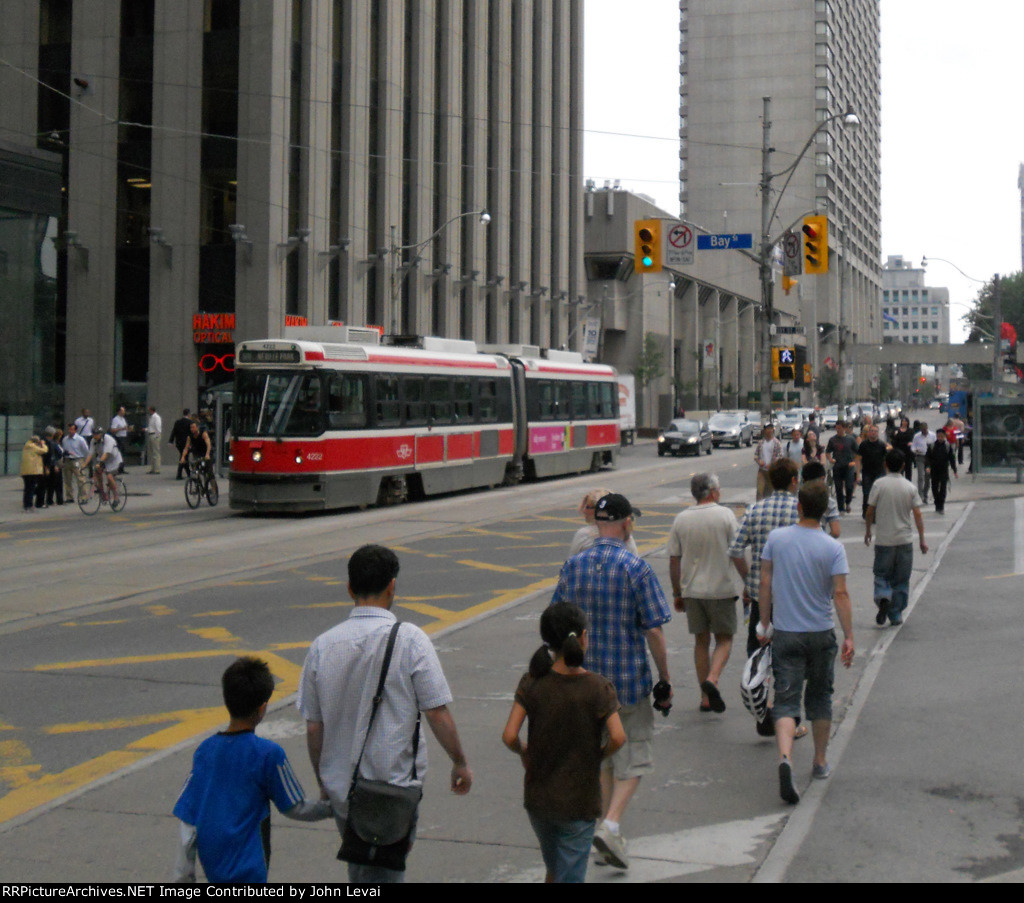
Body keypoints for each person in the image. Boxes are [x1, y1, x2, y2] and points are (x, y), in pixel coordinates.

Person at [299, 544, 473, 884]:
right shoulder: (410, 640)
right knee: (385, 871)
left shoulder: (322, 645)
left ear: (349, 589)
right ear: (392, 586)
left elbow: (314, 727)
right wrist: (459, 761)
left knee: (362, 868)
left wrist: (324, 782)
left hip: (343, 790)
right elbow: (437, 711)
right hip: (393, 788)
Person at [550, 492, 672, 871]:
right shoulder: (636, 568)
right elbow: (654, 630)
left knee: (602, 759)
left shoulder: (573, 566)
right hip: (627, 683)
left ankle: (602, 833)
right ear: (625, 523)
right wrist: (664, 679)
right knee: (634, 756)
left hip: (583, 682)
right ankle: (613, 823)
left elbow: (555, 623)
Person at [172, 656, 331, 883]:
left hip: (214, 872)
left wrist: (183, 879)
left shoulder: (205, 751)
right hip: (251, 872)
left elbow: (188, 821)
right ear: (263, 708)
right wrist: (332, 808)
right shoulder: (268, 754)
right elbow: (295, 807)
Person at [502, 602, 626, 884]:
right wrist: (600, 755)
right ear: (583, 636)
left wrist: (524, 752)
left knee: (555, 868)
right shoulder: (598, 688)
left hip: (539, 800)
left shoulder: (532, 682)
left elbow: (509, 735)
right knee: (569, 875)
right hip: (578, 802)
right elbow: (618, 736)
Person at [758, 483, 855, 805]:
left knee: (785, 700)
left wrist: (764, 623)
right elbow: (840, 594)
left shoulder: (777, 540)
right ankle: (820, 761)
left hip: (786, 632)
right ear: (825, 510)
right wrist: (849, 636)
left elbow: (766, 583)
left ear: (798, 507)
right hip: (820, 633)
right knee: (820, 697)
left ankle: (785, 758)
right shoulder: (833, 547)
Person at [728, 459, 802, 739]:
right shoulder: (800, 510)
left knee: (759, 655)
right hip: (794, 598)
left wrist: (750, 580)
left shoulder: (756, 509)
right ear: (794, 481)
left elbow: (736, 550)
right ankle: (788, 718)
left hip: (763, 598)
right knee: (790, 659)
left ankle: (764, 709)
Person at [668, 473, 741, 715]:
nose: (720, 493)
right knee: (725, 639)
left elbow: (674, 560)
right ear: (711, 492)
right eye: (718, 489)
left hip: (692, 591)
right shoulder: (726, 516)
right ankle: (713, 678)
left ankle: (705, 698)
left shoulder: (681, 519)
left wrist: (678, 592)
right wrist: (749, 581)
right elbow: (738, 552)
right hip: (721, 589)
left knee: (701, 641)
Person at [865, 449, 929, 627]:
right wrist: (922, 539)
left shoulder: (879, 485)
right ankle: (895, 614)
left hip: (884, 540)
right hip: (904, 540)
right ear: (903, 466)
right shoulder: (910, 487)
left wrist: (868, 531)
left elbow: (870, 511)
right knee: (901, 579)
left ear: (885, 464)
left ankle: (883, 596)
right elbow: (917, 515)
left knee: (881, 574)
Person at [568, 487, 639, 558]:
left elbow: (571, 563)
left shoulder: (583, 535)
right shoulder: (625, 534)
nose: (584, 510)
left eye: (588, 507)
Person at [855, 422, 889, 519]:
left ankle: (876, 514)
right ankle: (866, 512)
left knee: (878, 494)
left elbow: (886, 461)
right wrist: (858, 474)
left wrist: (887, 474)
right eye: (871, 431)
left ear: (878, 433)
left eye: (875, 431)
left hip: (880, 473)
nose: (873, 433)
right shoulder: (863, 445)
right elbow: (858, 459)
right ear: (868, 433)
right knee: (867, 493)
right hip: (867, 473)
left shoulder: (882, 445)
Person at [83, 427, 123, 505]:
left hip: (113, 460)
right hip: (102, 458)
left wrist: (100, 463)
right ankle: (103, 494)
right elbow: (91, 453)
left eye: (96, 434)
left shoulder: (109, 440)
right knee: (97, 472)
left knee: (109, 477)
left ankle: (116, 497)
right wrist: (84, 464)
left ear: (101, 434)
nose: (94, 436)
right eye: (93, 434)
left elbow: (106, 454)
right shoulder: (93, 440)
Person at [801, 461, 841, 539]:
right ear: (822, 478)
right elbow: (836, 532)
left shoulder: (797, 499)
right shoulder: (829, 502)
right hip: (819, 540)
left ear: (803, 480)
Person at [825, 420, 858, 514]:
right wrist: (830, 459)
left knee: (849, 486)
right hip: (837, 466)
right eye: (836, 428)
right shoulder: (833, 440)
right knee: (838, 487)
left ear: (844, 428)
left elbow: (858, 452)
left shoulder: (850, 439)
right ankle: (841, 508)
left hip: (848, 466)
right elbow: (827, 452)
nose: (837, 430)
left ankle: (847, 502)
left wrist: (854, 462)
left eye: (839, 428)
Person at [925, 428, 958, 515]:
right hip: (934, 470)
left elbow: (952, 458)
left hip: (944, 470)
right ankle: (937, 503)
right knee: (934, 487)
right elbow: (928, 457)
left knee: (943, 488)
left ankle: (941, 505)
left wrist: (955, 470)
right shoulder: (932, 446)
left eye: (941, 436)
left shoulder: (947, 446)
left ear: (944, 437)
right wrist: (928, 466)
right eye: (938, 436)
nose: (940, 438)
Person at [61, 421, 90, 503]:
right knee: (67, 480)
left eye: (72, 430)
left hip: (77, 460)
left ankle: (84, 497)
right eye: (69, 429)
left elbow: (86, 451)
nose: (70, 431)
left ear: (75, 431)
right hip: (67, 460)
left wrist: (83, 460)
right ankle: (69, 497)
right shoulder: (65, 439)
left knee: (81, 479)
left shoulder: (80, 440)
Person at [753, 423, 784, 500]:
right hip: (762, 471)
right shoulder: (761, 443)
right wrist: (759, 461)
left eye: (770, 429)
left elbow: (780, 456)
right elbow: (756, 455)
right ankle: (759, 506)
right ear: (764, 430)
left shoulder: (776, 443)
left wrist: (772, 464)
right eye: (767, 429)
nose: (769, 431)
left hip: (772, 471)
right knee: (760, 491)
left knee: (770, 491)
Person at [20, 435, 48, 513]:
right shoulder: (33, 447)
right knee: (31, 489)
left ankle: (26, 505)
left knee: (27, 488)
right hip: (32, 471)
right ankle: (29, 505)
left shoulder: (26, 446)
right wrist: (43, 444)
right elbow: (44, 451)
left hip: (25, 471)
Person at [910, 421, 934, 504]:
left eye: (925, 429)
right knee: (920, 477)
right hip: (920, 457)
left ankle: (925, 494)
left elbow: (935, 446)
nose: (924, 431)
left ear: (927, 428)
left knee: (927, 478)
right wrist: (915, 450)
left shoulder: (932, 435)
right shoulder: (917, 436)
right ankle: (920, 496)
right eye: (922, 430)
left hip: (929, 458)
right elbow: (913, 447)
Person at [43, 426, 64, 507]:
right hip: (55, 465)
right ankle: (53, 500)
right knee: (55, 483)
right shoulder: (53, 443)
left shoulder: (51, 443)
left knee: (53, 483)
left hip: (52, 464)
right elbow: (56, 454)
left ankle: (55, 499)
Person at [170, 409, 193, 480]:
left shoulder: (178, 422)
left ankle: (188, 473)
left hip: (179, 443)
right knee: (183, 457)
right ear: (188, 414)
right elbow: (191, 433)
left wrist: (171, 441)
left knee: (184, 457)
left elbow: (174, 431)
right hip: (186, 443)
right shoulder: (190, 422)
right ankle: (179, 474)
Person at [892, 417, 915, 481]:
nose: (904, 423)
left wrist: (911, 443)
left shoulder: (911, 430)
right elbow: (894, 441)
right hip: (899, 453)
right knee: (900, 470)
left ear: (908, 423)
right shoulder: (897, 430)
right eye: (903, 421)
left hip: (908, 453)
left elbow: (913, 440)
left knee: (908, 471)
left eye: (905, 421)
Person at [109, 405, 129, 473]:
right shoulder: (116, 419)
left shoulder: (123, 419)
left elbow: (125, 427)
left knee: (123, 453)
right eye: (123, 411)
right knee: (119, 453)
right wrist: (121, 428)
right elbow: (112, 430)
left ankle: (122, 468)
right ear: (119, 411)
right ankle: (118, 468)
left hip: (124, 436)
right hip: (119, 437)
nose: (124, 412)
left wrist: (127, 429)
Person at [145, 406, 163, 474]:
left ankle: (157, 469)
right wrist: (146, 429)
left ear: (151, 410)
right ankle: (153, 468)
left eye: (149, 410)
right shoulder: (152, 417)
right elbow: (151, 427)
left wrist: (156, 436)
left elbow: (158, 428)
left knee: (156, 452)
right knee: (153, 453)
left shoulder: (156, 417)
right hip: (151, 434)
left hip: (154, 435)